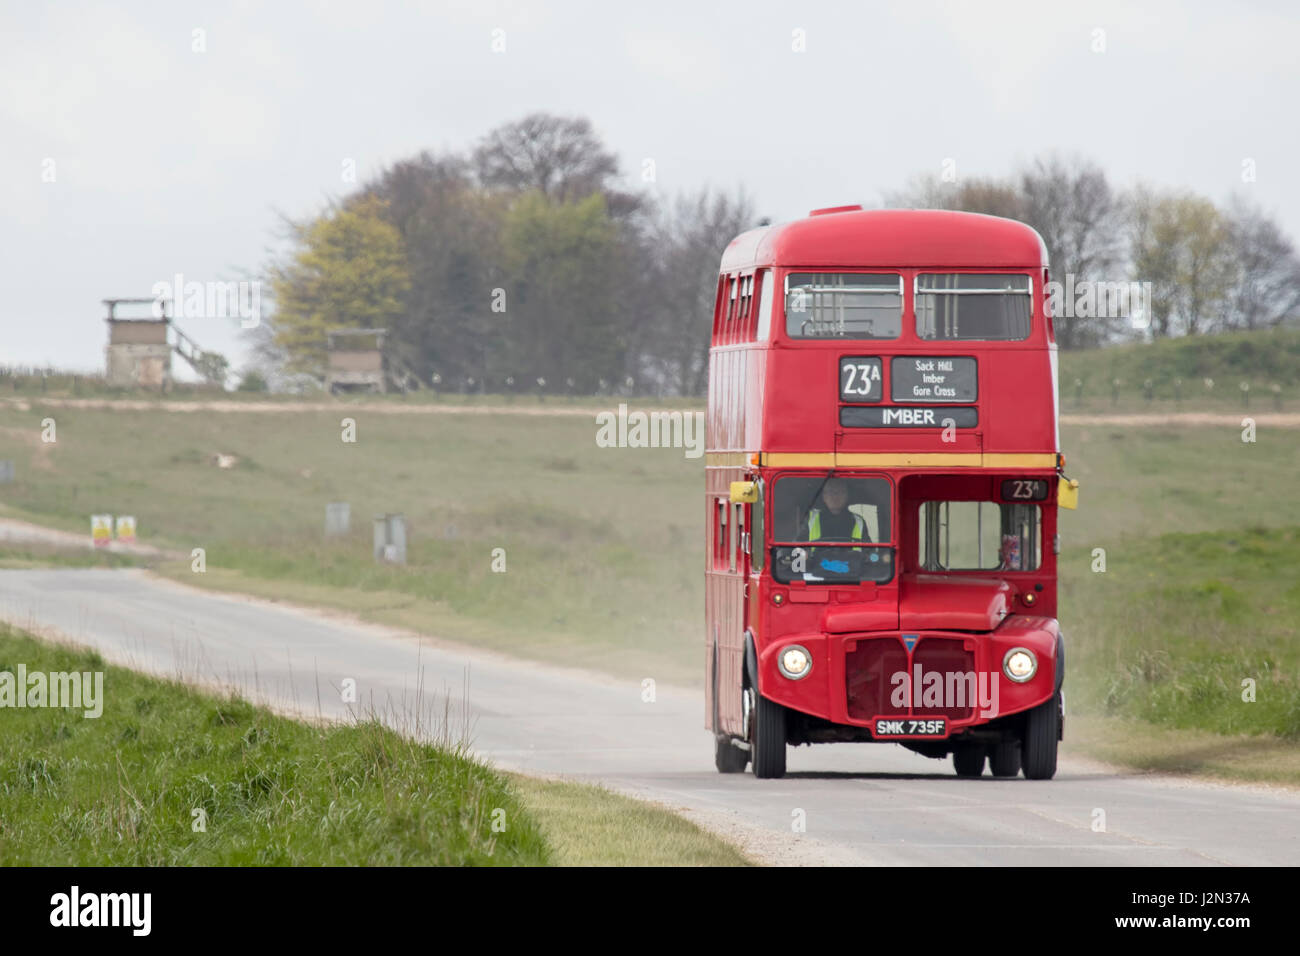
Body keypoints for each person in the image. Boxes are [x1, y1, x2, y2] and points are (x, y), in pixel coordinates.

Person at [806, 477, 868, 544]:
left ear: (847, 496)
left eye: (840, 492)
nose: (835, 496)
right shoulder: (810, 520)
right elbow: (798, 549)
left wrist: (873, 554)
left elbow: (871, 552)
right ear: (824, 496)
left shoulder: (859, 522)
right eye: (831, 491)